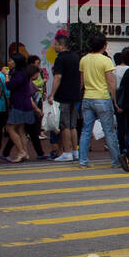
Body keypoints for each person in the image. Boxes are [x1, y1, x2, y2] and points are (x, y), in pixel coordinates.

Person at [76, 34, 125, 171]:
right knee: (109, 131)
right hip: (102, 98)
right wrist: (115, 101)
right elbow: (111, 82)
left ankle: (83, 160)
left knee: (86, 130)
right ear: (104, 46)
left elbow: (81, 82)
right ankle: (115, 161)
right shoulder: (106, 61)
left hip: (87, 97)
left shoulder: (84, 60)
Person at [49, 31, 81, 161]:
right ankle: (75, 151)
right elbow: (81, 76)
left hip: (63, 95)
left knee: (65, 125)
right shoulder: (75, 57)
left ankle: (67, 152)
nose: (55, 47)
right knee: (73, 125)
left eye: (56, 44)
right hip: (75, 94)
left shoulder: (60, 59)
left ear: (62, 46)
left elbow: (58, 77)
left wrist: (52, 94)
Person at [4, 54, 41, 162]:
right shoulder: (23, 73)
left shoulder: (19, 74)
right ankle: (25, 152)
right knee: (20, 129)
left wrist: (6, 76)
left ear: (16, 62)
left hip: (19, 104)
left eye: (11, 60)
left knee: (10, 128)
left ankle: (21, 151)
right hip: (24, 104)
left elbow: (10, 86)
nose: (9, 62)